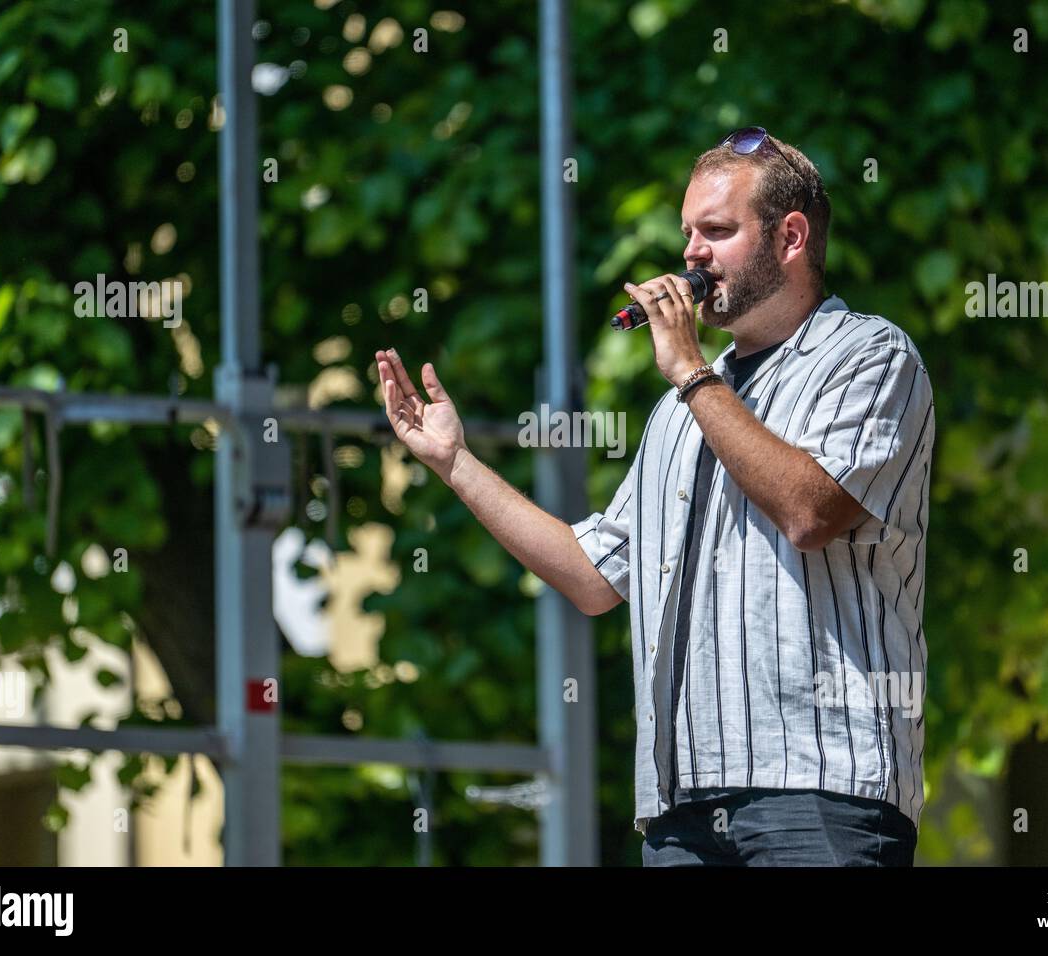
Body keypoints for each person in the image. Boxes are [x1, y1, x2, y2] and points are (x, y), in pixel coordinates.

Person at [375, 126, 935, 867]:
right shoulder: (679, 410)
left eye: (717, 231)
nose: (691, 254)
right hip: (682, 808)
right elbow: (592, 576)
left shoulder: (869, 355)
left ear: (791, 238)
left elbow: (809, 514)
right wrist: (455, 464)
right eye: (687, 233)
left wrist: (692, 374)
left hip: (819, 791)